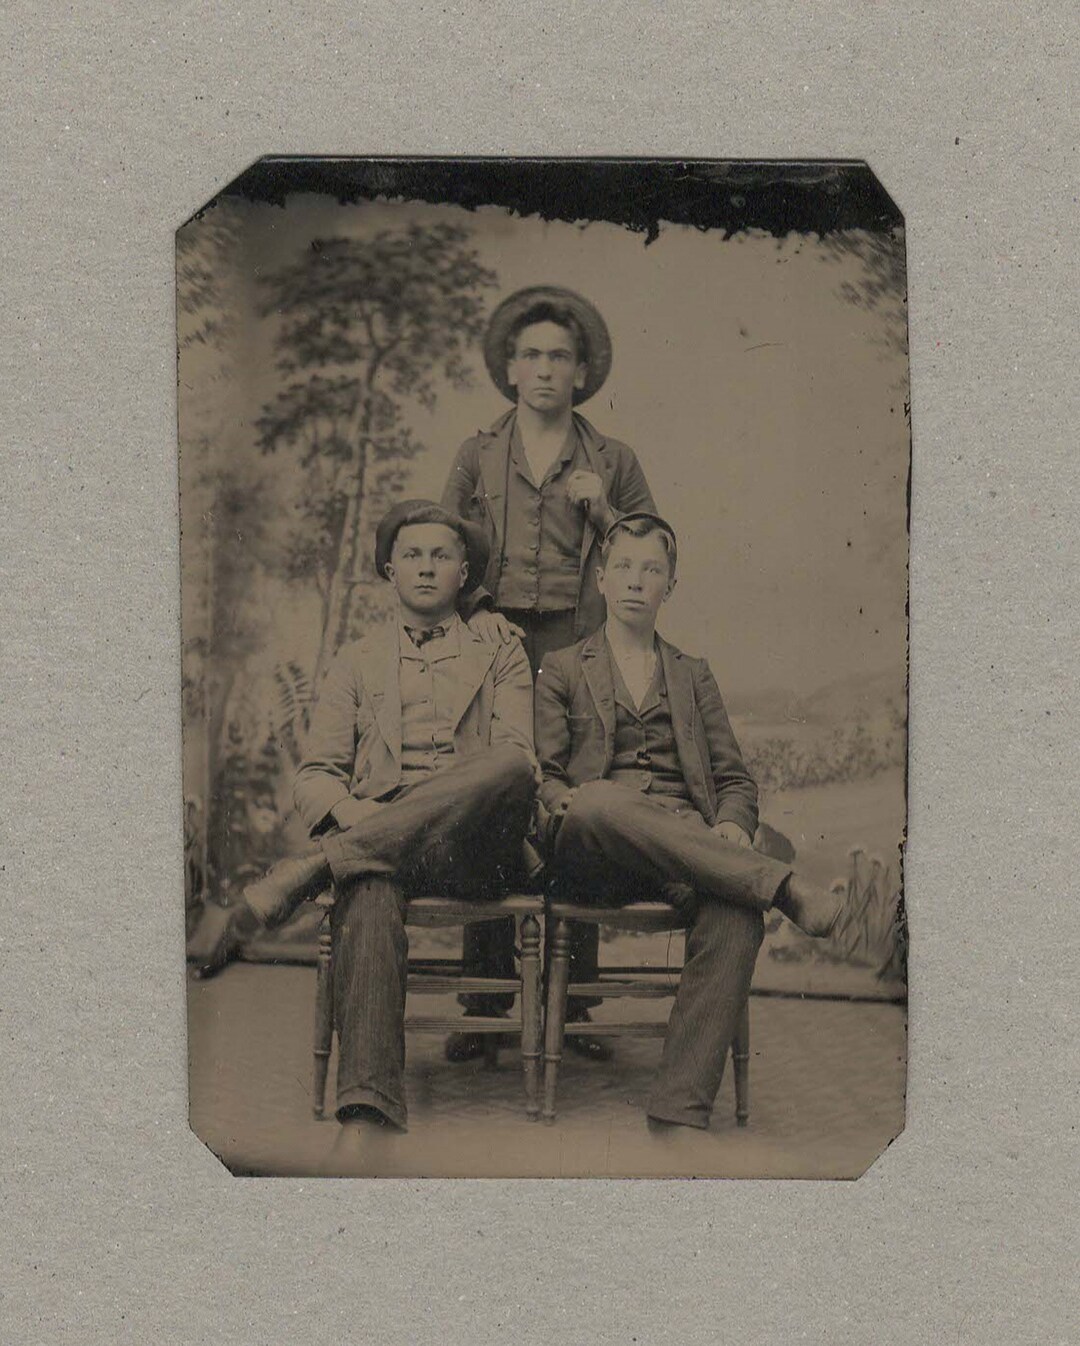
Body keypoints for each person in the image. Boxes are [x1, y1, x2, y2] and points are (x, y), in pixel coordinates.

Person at [201, 501, 537, 1168]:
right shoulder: (355, 662)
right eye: (412, 554)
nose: (426, 566)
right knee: (370, 887)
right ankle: (368, 1113)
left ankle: (308, 870)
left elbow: (519, 763)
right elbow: (318, 774)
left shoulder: (500, 652)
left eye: (441, 554)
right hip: (385, 844)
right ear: (389, 570)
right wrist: (363, 822)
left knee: (504, 764)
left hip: (480, 849)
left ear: (463, 570)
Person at [534, 513, 859, 1135]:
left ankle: (678, 1112)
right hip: (593, 850)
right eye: (623, 567)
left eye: (651, 570)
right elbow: (547, 781)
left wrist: (733, 825)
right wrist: (576, 804)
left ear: (670, 586)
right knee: (600, 799)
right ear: (600, 580)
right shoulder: (563, 667)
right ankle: (781, 884)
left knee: (735, 911)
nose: (635, 581)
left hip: (685, 851)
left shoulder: (691, 673)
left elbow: (734, 780)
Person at [440, 285, 657, 1061]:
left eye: (558, 356)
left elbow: (648, 555)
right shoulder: (476, 454)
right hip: (496, 648)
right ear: (508, 367)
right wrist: (477, 618)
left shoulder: (614, 460)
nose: (543, 369)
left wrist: (602, 512)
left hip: (580, 650)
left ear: (581, 369)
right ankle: (482, 1006)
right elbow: (444, 555)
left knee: (579, 799)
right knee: (493, 799)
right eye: (529, 354)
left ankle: (575, 1009)